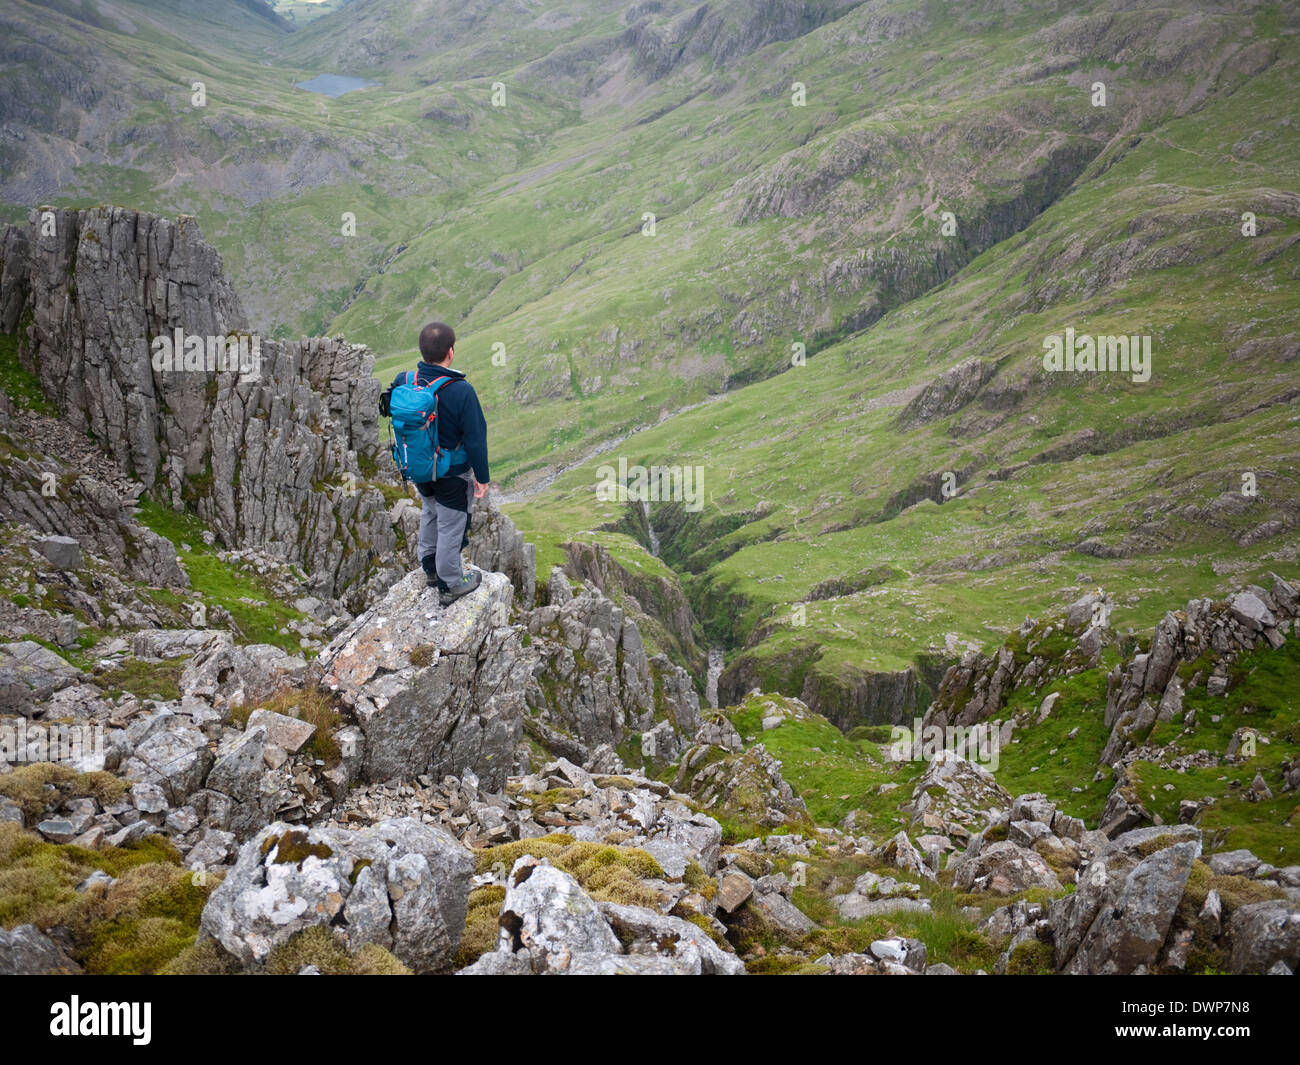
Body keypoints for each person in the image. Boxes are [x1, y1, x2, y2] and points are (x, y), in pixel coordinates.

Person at [390, 321, 489, 606]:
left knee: (431, 513)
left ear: (422, 352)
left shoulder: (404, 381)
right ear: (450, 352)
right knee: (451, 524)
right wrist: (482, 477)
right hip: (452, 473)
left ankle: (430, 569)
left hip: (418, 467)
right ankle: (451, 583)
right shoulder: (461, 391)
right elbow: (475, 439)